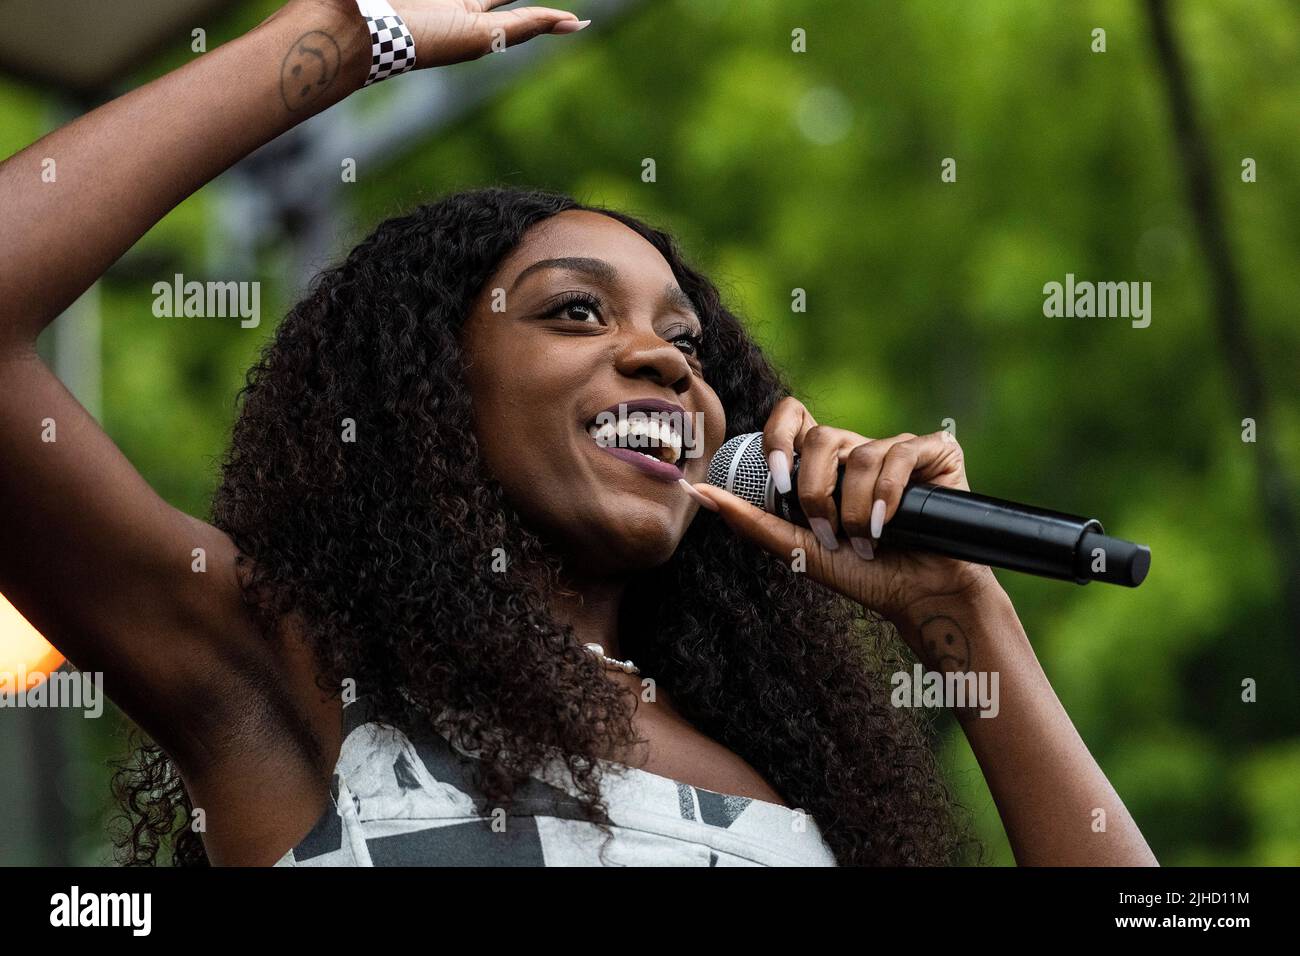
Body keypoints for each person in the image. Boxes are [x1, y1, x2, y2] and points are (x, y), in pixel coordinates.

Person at [0, 0, 1157, 867]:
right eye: (573, 311)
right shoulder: (290, 681)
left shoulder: (796, 783)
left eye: (689, 347)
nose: (665, 359)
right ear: (426, 397)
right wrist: (347, 37)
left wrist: (963, 615)